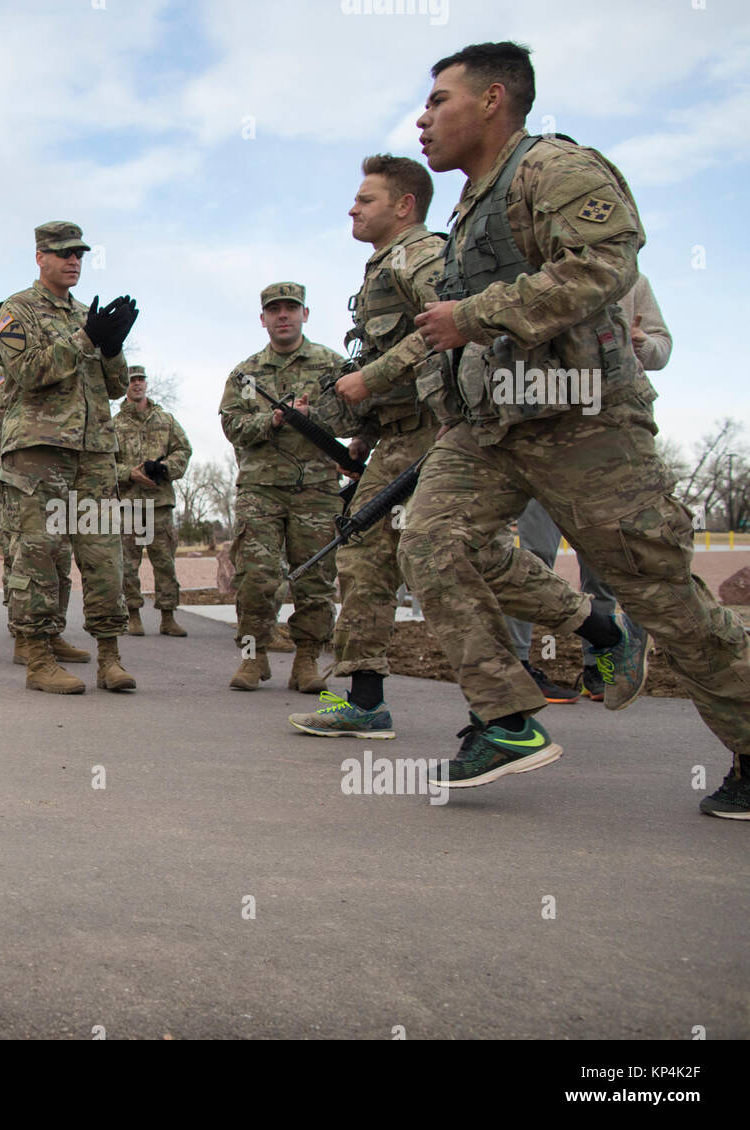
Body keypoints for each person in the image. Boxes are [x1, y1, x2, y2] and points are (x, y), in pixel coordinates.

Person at [373, 40, 747, 818]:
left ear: (492, 98)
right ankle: (505, 719)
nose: (423, 116)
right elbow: (446, 332)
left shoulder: (554, 169)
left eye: (439, 98)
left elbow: (604, 265)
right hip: (495, 427)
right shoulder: (471, 208)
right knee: (430, 540)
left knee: (663, 593)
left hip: (583, 420)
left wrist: (471, 316)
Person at [289, 155, 444, 739]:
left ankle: (596, 631)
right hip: (403, 433)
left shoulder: (422, 256)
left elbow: (453, 330)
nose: (352, 208)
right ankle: (365, 700)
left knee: (454, 561)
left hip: (441, 431)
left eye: (366, 199)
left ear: (403, 206)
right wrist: (367, 431)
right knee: (363, 553)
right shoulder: (382, 267)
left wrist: (371, 377)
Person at [502, 272, 674, 702]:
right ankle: (518, 664)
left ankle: (602, 666)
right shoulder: (528, 273)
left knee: (602, 562)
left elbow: (660, 348)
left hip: (604, 431)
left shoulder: (629, 278)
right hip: (540, 431)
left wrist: (640, 345)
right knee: (532, 556)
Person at [0, 220, 137, 694]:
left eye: (80, 253)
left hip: (94, 451)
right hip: (38, 451)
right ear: (40, 258)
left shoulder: (83, 312)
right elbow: (29, 371)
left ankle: (110, 657)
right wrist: (86, 339)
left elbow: (114, 388)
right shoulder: (16, 310)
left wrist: (112, 347)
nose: (74, 261)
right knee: (38, 555)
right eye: (63, 253)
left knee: (103, 556)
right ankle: (36, 657)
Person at [219, 283, 345, 693]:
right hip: (261, 489)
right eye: (275, 310)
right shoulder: (246, 373)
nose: (283, 316)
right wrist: (270, 422)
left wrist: (315, 415)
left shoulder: (332, 366)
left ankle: (307, 660)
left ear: (305, 314)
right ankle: (253, 657)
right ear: (263, 319)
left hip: (318, 489)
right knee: (257, 576)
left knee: (316, 579)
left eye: (291, 308)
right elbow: (231, 425)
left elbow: (359, 416)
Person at [0, 360, 88, 666]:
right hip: (23, 483)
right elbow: (2, 418)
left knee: (60, 563)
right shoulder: (5, 373)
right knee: (26, 562)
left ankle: (53, 633)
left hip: (59, 480)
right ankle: (25, 638)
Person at [114, 365, 193, 637]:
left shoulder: (165, 420)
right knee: (127, 564)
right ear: (125, 386)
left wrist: (166, 468)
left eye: (140, 380)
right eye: (132, 380)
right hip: (129, 504)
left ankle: (168, 617)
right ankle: (132, 615)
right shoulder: (114, 424)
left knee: (165, 562)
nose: (137, 384)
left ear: (146, 384)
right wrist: (129, 474)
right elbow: (102, 462)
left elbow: (184, 449)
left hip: (159, 503)